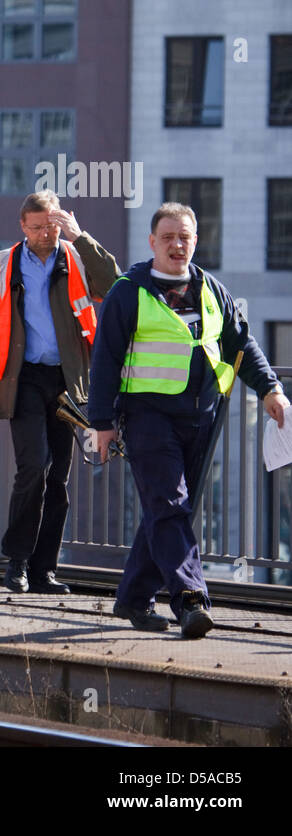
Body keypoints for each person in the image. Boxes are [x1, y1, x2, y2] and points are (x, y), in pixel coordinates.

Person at [88, 202, 288, 638]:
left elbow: (242, 344)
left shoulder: (213, 289)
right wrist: (100, 422)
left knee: (169, 509)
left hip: (202, 416)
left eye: (185, 237)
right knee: (171, 506)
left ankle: (133, 599)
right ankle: (191, 599)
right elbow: (104, 362)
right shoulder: (129, 291)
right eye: (168, 238)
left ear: (196, 240)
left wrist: (270, 388)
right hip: (147, 416)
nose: (178, 245)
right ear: (152, 242)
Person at [0, 190, 119, 594]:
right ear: (23, 226)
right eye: (37, 228)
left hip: (69, 382)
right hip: (22, 378)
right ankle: (15, 561)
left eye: (51, 227)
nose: (45, 235)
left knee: (59, 479)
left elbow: (114, 287)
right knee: (32, 467)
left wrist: (81, 237)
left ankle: (43, 570)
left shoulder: (76, 258)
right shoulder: (3, 264)